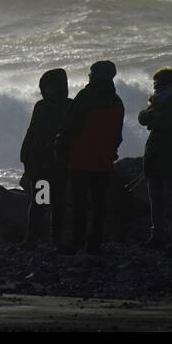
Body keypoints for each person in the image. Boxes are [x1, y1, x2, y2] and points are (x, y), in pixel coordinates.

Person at [57, 60, 124, 253]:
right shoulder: (116, 101)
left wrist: (60, 147)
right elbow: (117, 134)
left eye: (92, 73)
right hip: (103, 161)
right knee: (98, 204)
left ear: (97, 75)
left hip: (80, 159)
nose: (89, 76)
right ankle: (95, 242)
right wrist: (112, 152)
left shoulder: (86, 96)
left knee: (79, 203)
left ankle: (77, 241)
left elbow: (69, 126)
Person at [137, 66, 172, 249]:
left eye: (157, 84)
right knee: (155, 196)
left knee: (170, 196)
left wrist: (153, 116)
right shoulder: (157, 101)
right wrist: (153, 115)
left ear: (167, 84)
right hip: (155, 153)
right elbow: (143, 117)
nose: (154, 88)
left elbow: (164, 122)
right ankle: (157, 235)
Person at [19, 68, 71, 247]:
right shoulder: (43, 106)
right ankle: (34, 238)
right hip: (41, 165)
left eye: (49, 86)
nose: (45, 90)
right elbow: (32, 133)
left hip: (56, 164)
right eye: (44, 87)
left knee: (56, 203)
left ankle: (53, 239)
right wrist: (25, 155)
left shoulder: (66, 106)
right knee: (41, 201)